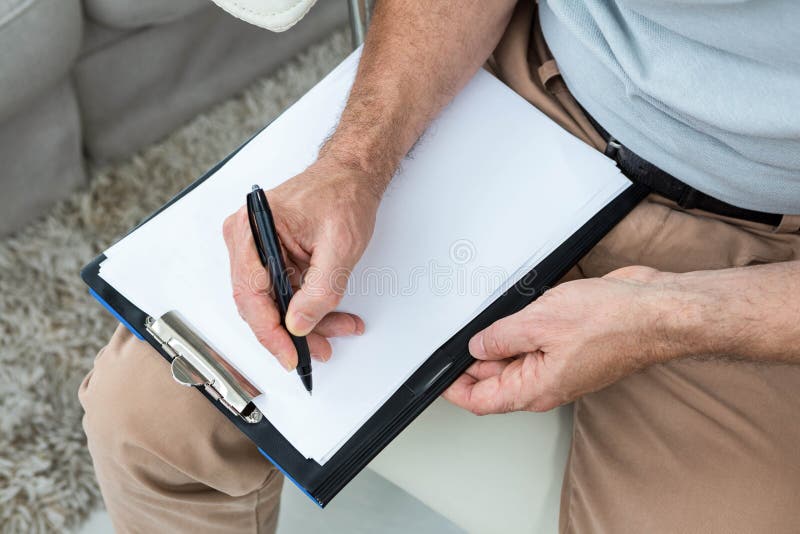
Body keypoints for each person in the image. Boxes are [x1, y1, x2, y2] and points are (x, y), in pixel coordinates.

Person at [79, 1, 800, 532]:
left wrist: (672, 319)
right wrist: (353, 160)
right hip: (529, 94)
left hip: (765, 252)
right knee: (140, 416)